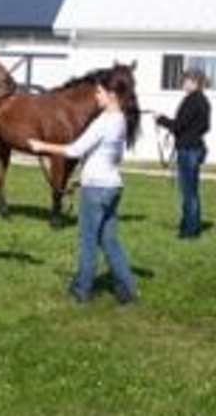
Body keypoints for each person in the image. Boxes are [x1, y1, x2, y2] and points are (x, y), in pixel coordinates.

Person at [29, 70, 141, 304]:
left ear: (111, 94)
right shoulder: (121, 119)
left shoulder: (104, 121)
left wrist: (41, 145)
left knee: (88, 241)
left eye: (99, 92)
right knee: (109, 241)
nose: (95, 96)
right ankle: (128, 290)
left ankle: (82, 290)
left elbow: (74, 150)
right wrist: (85, 176)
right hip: (112, 186)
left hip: (97, 190)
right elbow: (113, 156)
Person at [154, 68, 211, 239]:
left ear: (195, 82)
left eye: (185, 80)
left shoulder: (192, 100)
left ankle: (189, 231)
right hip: (194, 147)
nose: (183, 83)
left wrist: (160, 119)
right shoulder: (204, 101)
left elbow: (178, 125)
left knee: (188, 192)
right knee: (191, 191)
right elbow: (205, 127)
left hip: (188, 150)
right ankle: (190, 225)